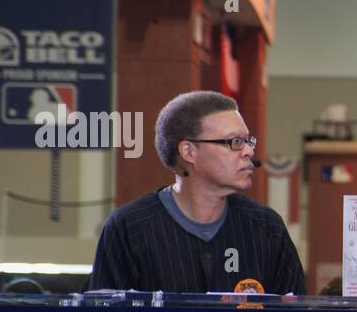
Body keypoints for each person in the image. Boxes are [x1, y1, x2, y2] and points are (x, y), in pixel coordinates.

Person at [87, 90, 306, 294]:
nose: (248, 151)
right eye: (235, 142)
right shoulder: (129, 229)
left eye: (248, 141)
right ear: (189, 151)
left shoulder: (267, 229)